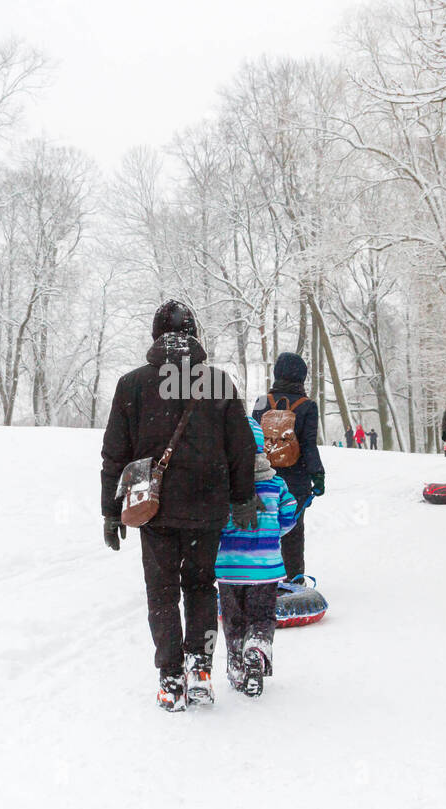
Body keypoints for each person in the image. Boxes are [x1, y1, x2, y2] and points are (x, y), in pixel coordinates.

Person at [101, 300, 257, 712]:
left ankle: (170, 678)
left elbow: (114, 455)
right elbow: (242, 448)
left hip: (155, 509)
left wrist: (110, 510)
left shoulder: (132, 384)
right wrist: (242, 499)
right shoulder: (218, 383)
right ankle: (200, 668)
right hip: (207, 507)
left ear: (156, 335)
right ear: (194, 335)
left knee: (162, 593)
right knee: (201, 587)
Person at [217, 417, 298, 698]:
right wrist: (271, 535)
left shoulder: (222, 486)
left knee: (232, 619)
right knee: (262, 616)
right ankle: (257, 650)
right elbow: (288, 518)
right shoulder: (276, 484)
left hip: (228, 568)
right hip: (265, 569)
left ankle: (237, 666)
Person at [252, 351, 325, 582]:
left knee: (264, 530)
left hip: (264, 479)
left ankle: (263, 579)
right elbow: (308, 445)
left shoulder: (262, 401)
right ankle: (294, 579)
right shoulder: (307, 405)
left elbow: (252, 439)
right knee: (293, 531)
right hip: (295, 479)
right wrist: (318, 475)